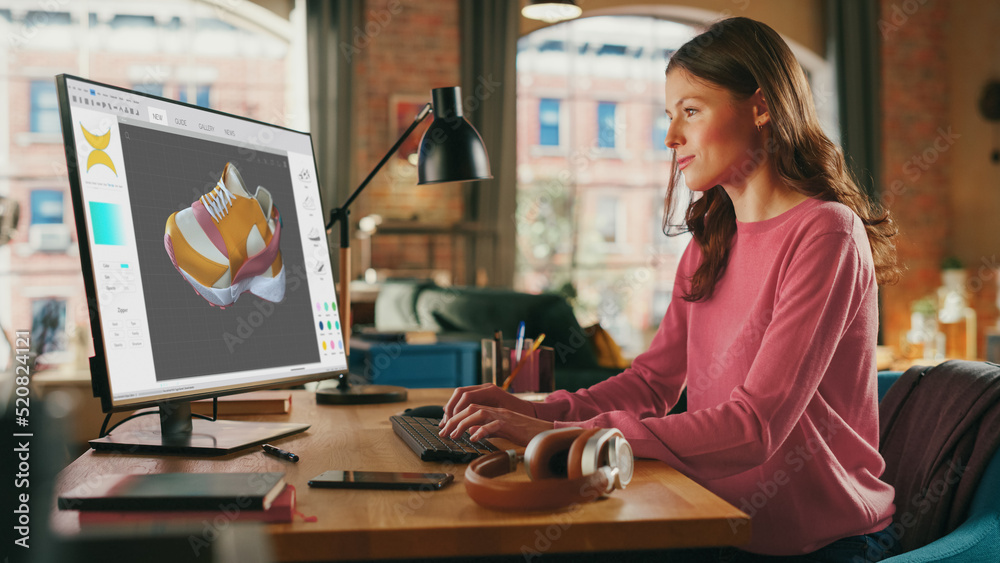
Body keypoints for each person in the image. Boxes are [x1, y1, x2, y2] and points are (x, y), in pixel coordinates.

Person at [439, 16, 902, 562]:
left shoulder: (825, 233)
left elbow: (754, 427)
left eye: (691, 111)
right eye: (669, 115)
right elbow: (651, 383)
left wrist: (562, 433)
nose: (670, 137)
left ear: (761, 106)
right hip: (712, 519)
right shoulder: (711, 240)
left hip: (821, 544)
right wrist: (532, 413)